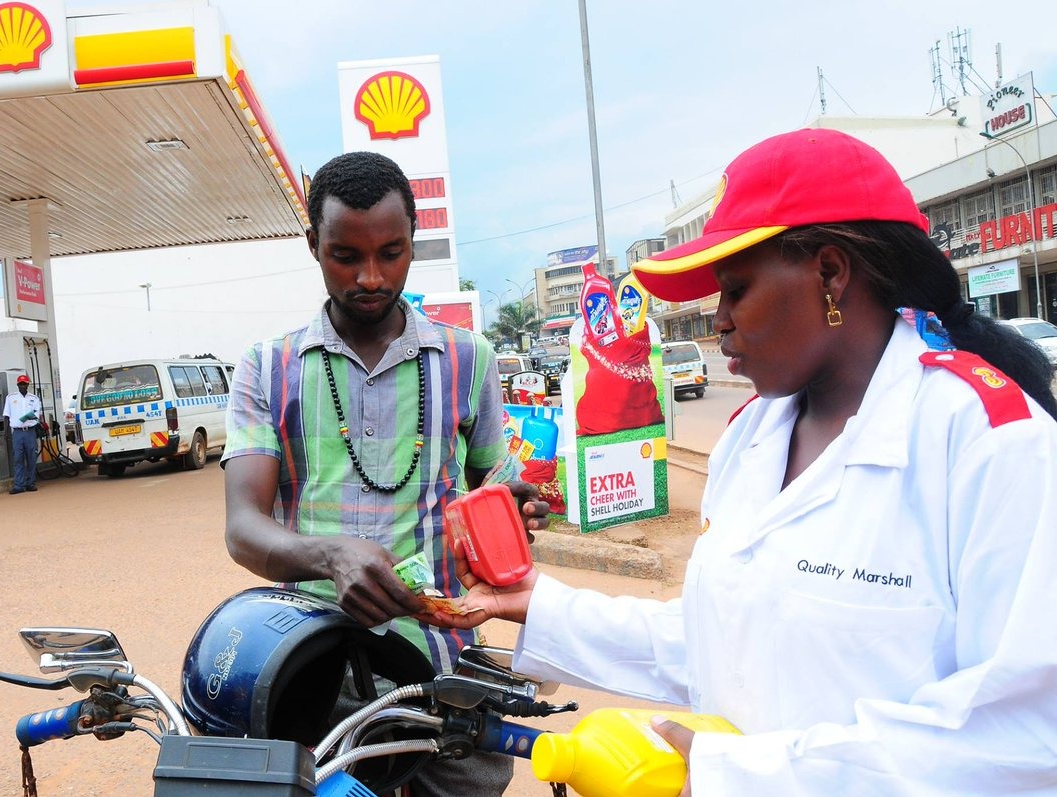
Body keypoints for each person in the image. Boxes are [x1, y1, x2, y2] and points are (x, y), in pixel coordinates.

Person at [424, 129, 1057, 795]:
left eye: (736, 289)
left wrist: (731, 773)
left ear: (830, 273)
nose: (718, 319)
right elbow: (719, 637)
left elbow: (1026, 731)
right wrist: (539, 608)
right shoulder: (749, 437)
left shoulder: (989, 442)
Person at [222, 151, 548, 797]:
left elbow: (495, 491)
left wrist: (516, 515)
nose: (371, 276)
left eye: (392, 253)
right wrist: (329, 555)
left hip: (440, 666)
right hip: (310, 672)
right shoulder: (267, 367)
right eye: (346, 256)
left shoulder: (468, 359)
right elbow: (243, 527)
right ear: (313, 243)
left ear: (413, 241)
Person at [3, 373, 42, 494]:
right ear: (17, 385)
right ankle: (19, 485)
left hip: (30, 431)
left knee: (31, 458)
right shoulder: (11, 397)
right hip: (17, 433)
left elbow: (36, 414)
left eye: (24, 384)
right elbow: (6, 416)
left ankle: (30, 483)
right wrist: (6, 432)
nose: (23, 386)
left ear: (28, 385)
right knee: (18, 459)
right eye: (20, 384)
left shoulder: (34, 398)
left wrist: (22, 419)